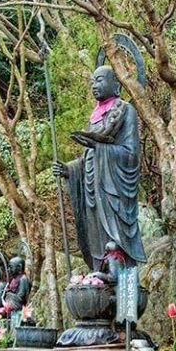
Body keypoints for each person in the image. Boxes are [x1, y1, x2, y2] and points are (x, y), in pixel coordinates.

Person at [52, 65, 146, 272]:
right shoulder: (95, 116)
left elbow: (130, 155)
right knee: (94, 232)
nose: (95, 86)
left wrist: (99, 147)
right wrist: (71, 170)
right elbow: (88, 156)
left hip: (112, 187)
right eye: (93, 81)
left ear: (116, 84)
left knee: (113, 237)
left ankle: (117, 271)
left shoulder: (124, 111)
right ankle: (99, 272)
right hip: (92, 187)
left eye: (100, 80)